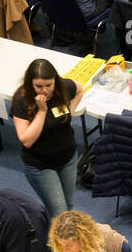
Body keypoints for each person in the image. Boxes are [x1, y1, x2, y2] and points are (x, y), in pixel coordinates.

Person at [10, 58, 83, 218]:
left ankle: (62, 240)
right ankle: (54, 241)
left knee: (69, 207)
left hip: (68, 158)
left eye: (49, 85)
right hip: (41, 165)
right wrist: (42, 111)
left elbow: (79, 89)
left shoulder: (62, 87)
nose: (44, 91)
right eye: (39, 86)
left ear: (54, 81)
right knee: (60, 213)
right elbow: (26, 140)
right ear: (31, 84)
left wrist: (69, 113)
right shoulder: (21, 100)